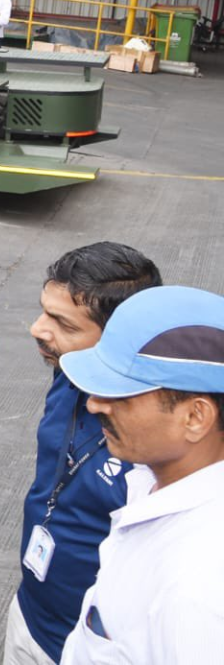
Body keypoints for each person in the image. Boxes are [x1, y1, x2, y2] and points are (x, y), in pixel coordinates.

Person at [4, 243, 161, 665]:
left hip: (93, 647)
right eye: (43, 311)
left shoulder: (157, 443)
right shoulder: (68, 372)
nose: (38, 329)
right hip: (31, 613)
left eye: (62, 323)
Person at [56, 285, 224, 664]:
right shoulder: (150, 478)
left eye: (121, 394)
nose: (95, 404)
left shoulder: (198, 589)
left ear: (195, 417)